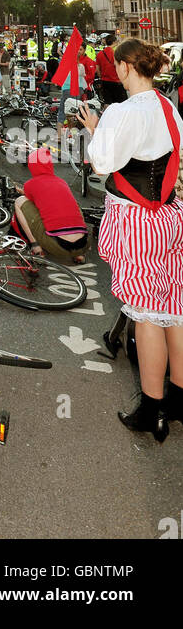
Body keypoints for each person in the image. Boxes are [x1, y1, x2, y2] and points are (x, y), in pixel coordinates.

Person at [81, 39, 183, 441]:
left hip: (135, 220)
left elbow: (103, 164)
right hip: (170, 215)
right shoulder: (169, 107)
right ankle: (178, 399)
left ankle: (152, 409)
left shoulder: (122, 112)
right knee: (174, 307)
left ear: (124, 67)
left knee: (145, 315)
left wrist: (94, 130)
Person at [11, 148, 87, 263]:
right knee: (73, 204)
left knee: (19, 201)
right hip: (83, 243)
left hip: (56, 245)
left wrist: (20, 191)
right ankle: (79, 254)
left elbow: (30, 200)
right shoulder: (62, 182)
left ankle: (36, 246)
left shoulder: (30, 184)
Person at [95, 34, 126, 107]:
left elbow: (97, 68)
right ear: (115, 42)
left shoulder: (100, 53)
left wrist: (101, 76)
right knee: (120, 103)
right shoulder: (116, 53)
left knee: (107, 102)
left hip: (105, 81)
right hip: (116, 81)